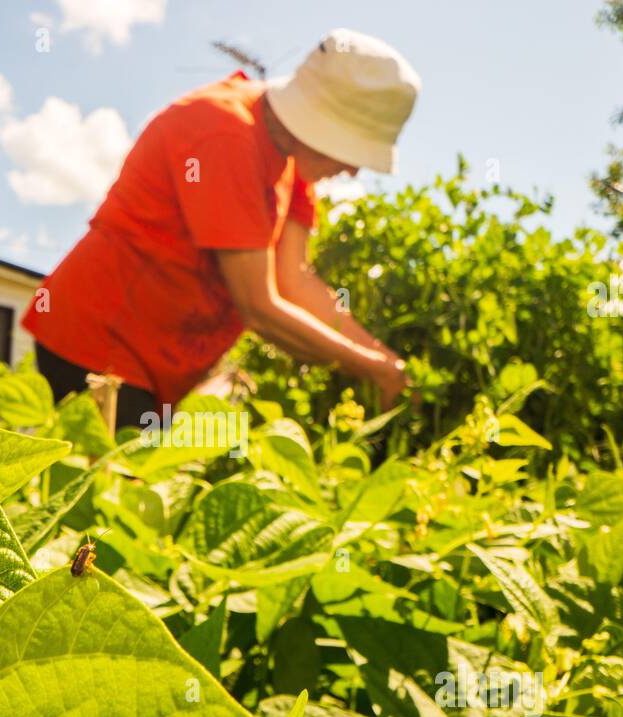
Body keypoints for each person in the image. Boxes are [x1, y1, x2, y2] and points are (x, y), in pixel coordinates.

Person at [21, 28, 421, 428]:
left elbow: (294, 281)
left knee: (148, 476)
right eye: (353, 149)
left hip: (155, 369)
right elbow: (260, 307)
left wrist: (387, 361)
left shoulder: (297, 162)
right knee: (119, 484)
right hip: (94, 347)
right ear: (320, 124)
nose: (353, 169)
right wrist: (370, 368)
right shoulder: (222, 132)